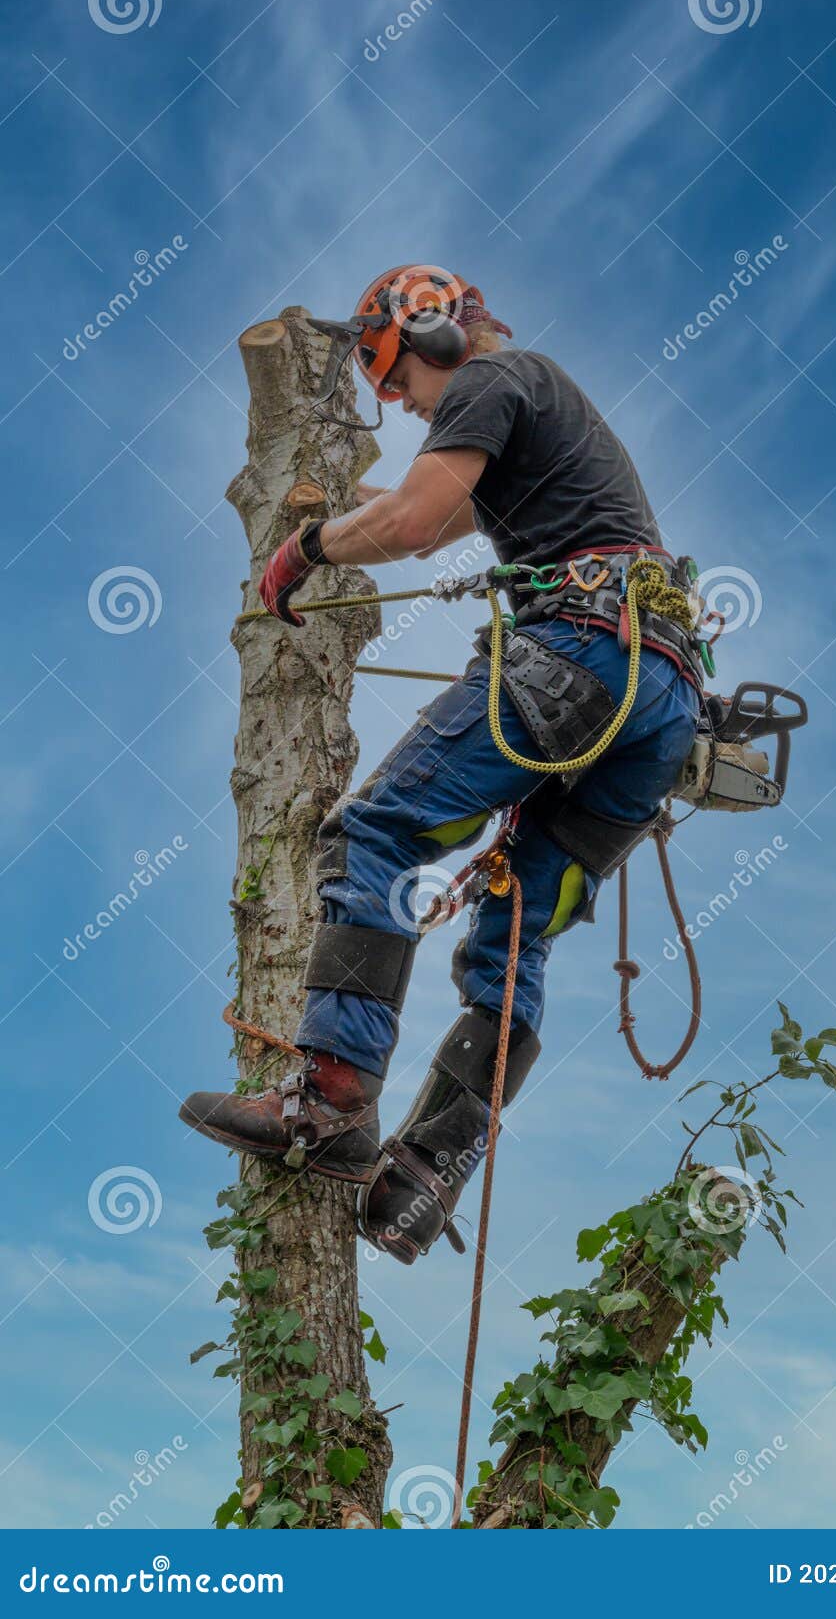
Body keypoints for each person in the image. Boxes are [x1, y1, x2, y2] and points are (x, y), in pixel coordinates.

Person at [180, 265, 704, 1264]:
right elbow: (431, 516)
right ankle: (424, 1175)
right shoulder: (533, 411)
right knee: (517, 924)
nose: (398, 401)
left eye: (393, 376)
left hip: (581, 650)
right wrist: (332, 505)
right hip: (663, 697)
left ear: (433, 333)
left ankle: (328, 1100)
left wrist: (301, 551)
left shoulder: (492, 379)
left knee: (375, 830)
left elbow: (412, 523)